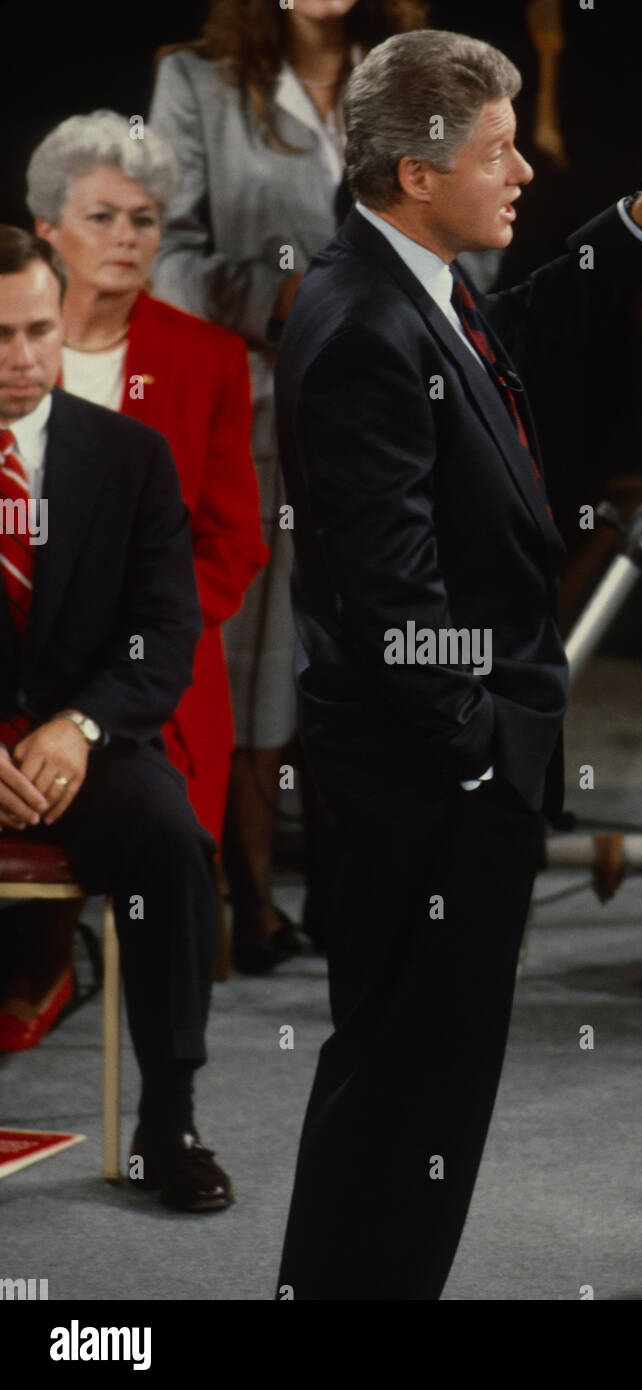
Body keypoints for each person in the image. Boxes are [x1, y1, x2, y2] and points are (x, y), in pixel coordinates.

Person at [273, 30, 642, 1298]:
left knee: (412, 1100)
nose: (525, 170)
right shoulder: (364, 326)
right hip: (429, 793)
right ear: (418, 175)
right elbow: (390, 605)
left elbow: (509, 338)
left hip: (437, 781)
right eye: (497, 151)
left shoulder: (405, 280)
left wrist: (639, 217)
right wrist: (486, 754)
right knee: (403, 1101)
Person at [148, 0, 493, 972]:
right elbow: (165, 259)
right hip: (257, 410)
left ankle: (372, 892)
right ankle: (250, 901)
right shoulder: (196, 82)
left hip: (401, 414)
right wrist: (282, 296)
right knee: (255, 667)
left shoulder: (422, 72)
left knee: (386, 646)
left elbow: (476, 240)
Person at [0, 227, 232, 1210]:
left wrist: (80, 727)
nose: (21, 358)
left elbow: (165, 631)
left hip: (84, 745)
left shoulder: (134, 458)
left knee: (173, 842)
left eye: (39, 331)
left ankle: (168, 1119)